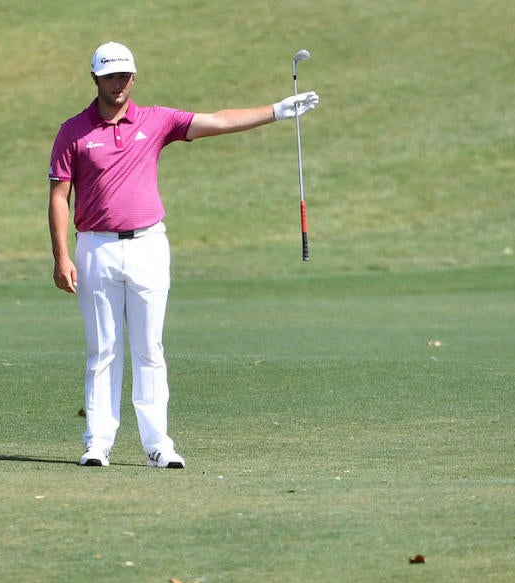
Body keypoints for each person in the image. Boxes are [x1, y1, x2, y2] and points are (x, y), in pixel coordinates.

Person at [48, 41, 319, 468]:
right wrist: (61, 255)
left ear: (133, 78)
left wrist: (276, 111)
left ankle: (158, 444)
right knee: (103, 349)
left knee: (149, 348)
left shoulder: (156, 121)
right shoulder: (73, 131)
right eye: (110, 76)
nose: (118, 84)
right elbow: (60, 195)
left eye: (124, 76)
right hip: (95, 247)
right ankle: (97, 441)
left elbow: (217, 121)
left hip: (149, 245)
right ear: (95, 78)